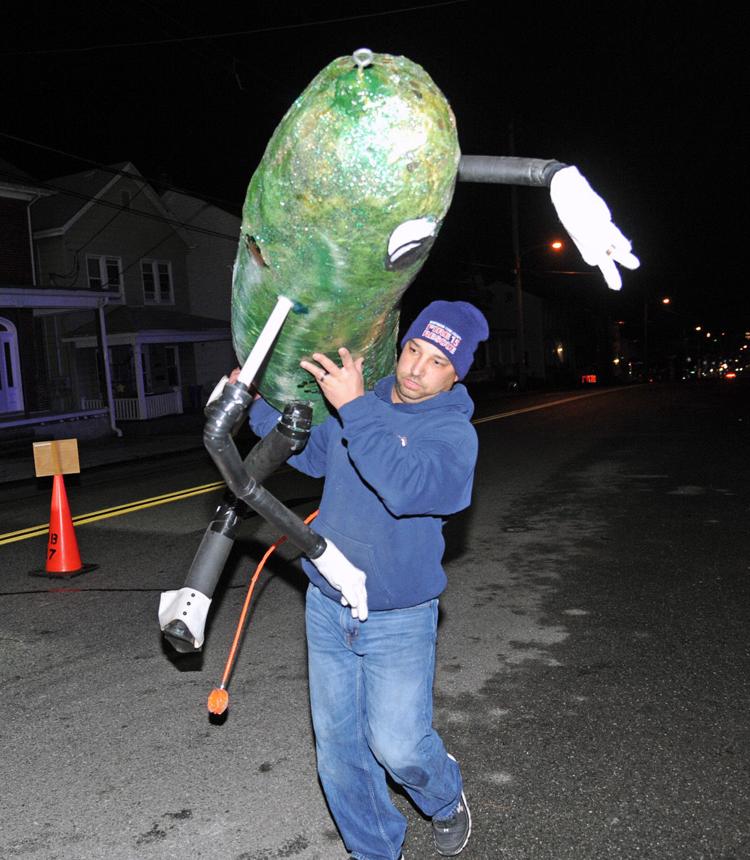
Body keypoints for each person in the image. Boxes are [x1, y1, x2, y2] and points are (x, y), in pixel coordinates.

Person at [244, 300, 489, 860]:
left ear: (456, 375)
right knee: (340, 751)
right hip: (327, 603)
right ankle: (375, 849)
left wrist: (354, 408)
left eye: (436, 361)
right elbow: (312, 456)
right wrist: (251, 403)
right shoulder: (365, 404)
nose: (416, 368)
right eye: (413, 350)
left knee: (399, 746)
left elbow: (404, 488)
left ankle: (443, 795)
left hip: (398, 615)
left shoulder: (453, 436)